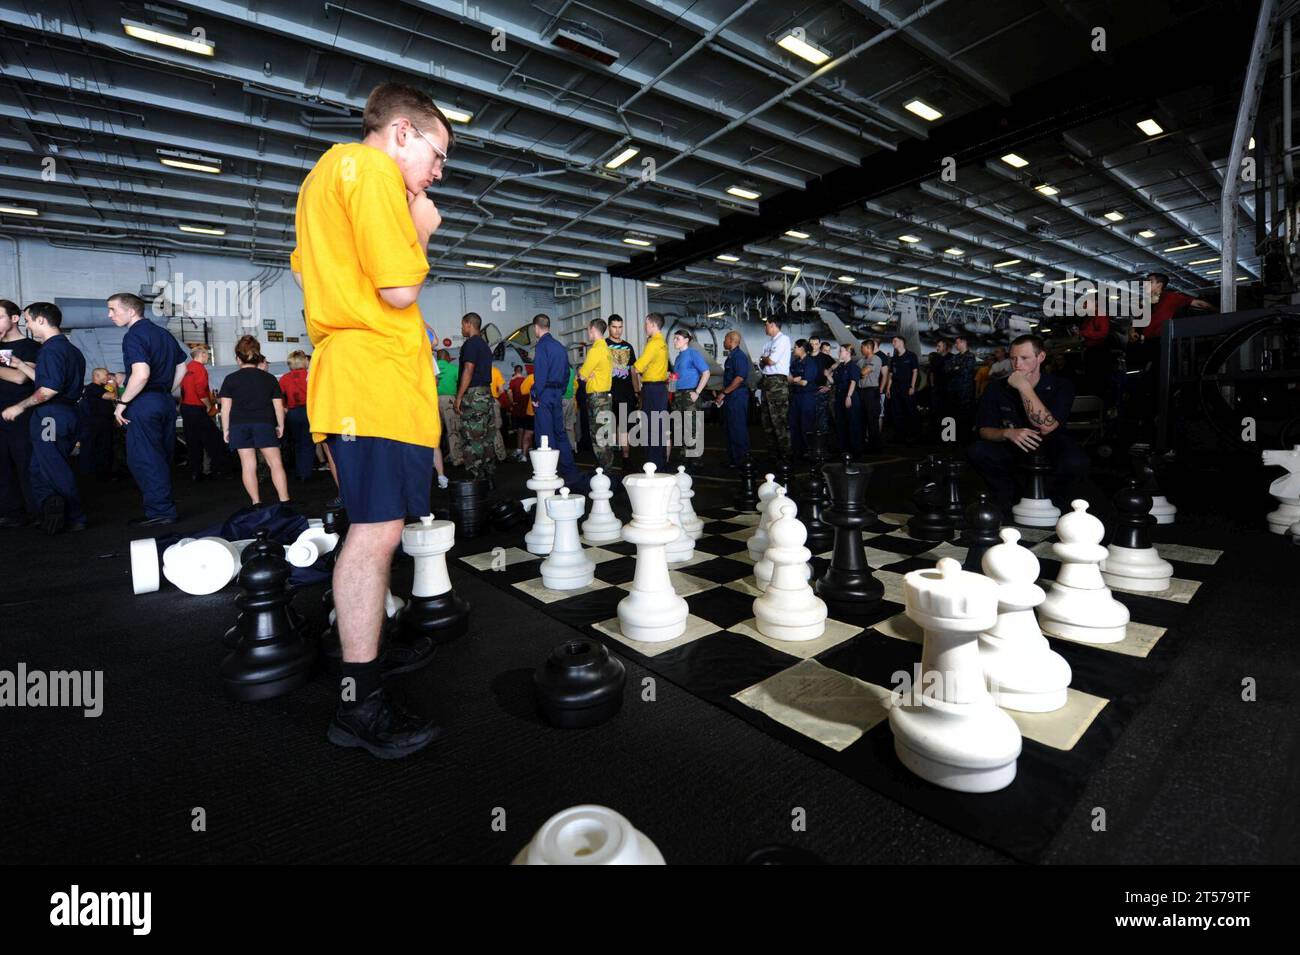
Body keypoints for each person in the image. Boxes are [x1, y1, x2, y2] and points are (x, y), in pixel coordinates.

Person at [290, 81, 452, 758]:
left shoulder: (328, 177)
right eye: (437, 156)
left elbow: (309, 273)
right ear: (403, 134)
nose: (437, 173)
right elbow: (399, 287)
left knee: (375, 529)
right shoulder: (374, 170)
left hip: (368, 379)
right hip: (370, 379)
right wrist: (422, 224)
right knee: (374, 534)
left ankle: (363, 643)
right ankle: (359, 702)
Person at [967, 334, 1088, 516]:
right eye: (1013, 358)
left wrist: (1024, 387)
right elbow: (984, 429)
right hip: (1013, 445)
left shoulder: (1061, 385)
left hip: (1051, 444)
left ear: (1040, 357)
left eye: (1024, 358)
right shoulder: (995, 388)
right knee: (977, 450)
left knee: (1076, 460)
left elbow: (1047, 426)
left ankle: (1057, 503)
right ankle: (1008, 497)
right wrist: (1007, 433)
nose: (1017, 364)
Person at [0, 303, 86, 533]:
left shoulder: (50, 350)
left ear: (40, 320)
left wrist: (19, 406)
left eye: (28, 320)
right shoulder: (68, 349)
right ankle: (53, 512)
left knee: (53, 466)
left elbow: (49, 389)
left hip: (52, 415)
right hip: (60, 413)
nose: (27, 325)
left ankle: (75, 516)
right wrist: (19, 365)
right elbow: (43, 378)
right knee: (38, 467)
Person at [107, 292, 188, 526]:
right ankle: (163, 507)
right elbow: (183, 366)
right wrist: (164, 389)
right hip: (164, 401)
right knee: (160, 455)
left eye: (113, 309)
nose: (109, 315)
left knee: (144, 458)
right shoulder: (163, 333)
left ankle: (160, 511)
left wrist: (121, 405)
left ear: (131, 311)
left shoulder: (133, 335)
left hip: (145, 403)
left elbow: (141, 374)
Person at [218, 336, 291, 508]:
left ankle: (256, 502)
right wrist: (280, 425)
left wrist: (226, 430)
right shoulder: (269, 378)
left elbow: (225, 409)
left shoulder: (230, 379)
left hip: (239, 425)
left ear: (237, 358)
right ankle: (285, 501)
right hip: (264, 423)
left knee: (248, 465)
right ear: (258, 357)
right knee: (275, 463)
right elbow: (278, 406)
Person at [530, 313, 585, 487]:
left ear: (536, 327)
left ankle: (549, 473)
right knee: (560, 433)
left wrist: (536, 395)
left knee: (545, 435)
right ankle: (569, 471)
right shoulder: (560, 347)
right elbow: (567, 373)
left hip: (545, 393)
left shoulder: (541, 347)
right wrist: (560, 390)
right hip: (557, 394)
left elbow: (540, 374)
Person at [0, 299, 39, 528]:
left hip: (20, 415)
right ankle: (12, 512)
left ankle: (36, 511)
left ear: (14, 319)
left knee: (25, 463)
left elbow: (20, 377)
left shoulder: (31, 348)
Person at [454, 312, 496, 483]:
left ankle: (477, 478)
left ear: (468, 324)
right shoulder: (485, 346)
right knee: (486, 436)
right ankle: (489, 476)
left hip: (473, 395)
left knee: (472, 437)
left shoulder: (470, 344)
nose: (462, 328)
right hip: (486, 394)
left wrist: (459, 397)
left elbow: (469, 370)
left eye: (462, 325)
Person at [179, 345, 229, 484]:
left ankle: (196, 472)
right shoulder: (200, 369)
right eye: (207, 354)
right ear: (201, 355)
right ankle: (217, 470)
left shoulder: (187, 368)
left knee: (193, 442)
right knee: (215, 440)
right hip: (197, 409)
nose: (209, 357)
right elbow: (201, 391)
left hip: (186, 408)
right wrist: (208, 405)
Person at [632, 312, 670, 471]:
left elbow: (636, 367)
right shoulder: (663, 343)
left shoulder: (653, 344)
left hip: (652, 389)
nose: (644, 327)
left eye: (646, 324)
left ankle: (653, 466)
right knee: (658, 427)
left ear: (653, 324)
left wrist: (636, 390)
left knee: (651, 428)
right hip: (660, 389)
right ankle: (658, 464)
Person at [669, 328, 709, 468]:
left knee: (692, 427)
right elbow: (675, 378)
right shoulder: (678, 357)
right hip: (678, 395)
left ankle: (696, 458)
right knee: (679, 427)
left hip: (689, 394)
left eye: (677, 338)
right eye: (674, 338)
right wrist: (671, 392)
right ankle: (685, 456)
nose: (674, 341)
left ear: (686, 340)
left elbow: (706, 372)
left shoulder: (693, 353)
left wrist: (697, 392)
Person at [577, 318, 615, 470]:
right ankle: (608, 466)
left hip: (596, 398)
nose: (588, 333)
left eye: (588, 330)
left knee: (598, 435)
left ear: (593, 329)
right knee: (604, 434)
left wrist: (585, 373)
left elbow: (582, 375)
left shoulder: (595, 350)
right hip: (606, 396)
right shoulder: (606, 349)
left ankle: (605, 470)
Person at [714, 330, 750, 467]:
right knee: (730, 428)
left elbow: (739, 378)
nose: (723, 342)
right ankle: (733, 459)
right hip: (731, 397)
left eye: (725, 339)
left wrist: (724, 393)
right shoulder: (731, 357)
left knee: (737, 428)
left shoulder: (739, 357)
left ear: (731, 340)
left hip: (737, 396)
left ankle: (742, 461)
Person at [758, 317, 792, 461]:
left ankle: (786, 457)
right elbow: (762, 363)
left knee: (779, 422)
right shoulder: (768, 343)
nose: (765, 328)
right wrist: (765, 359)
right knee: (767, 422)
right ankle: (774, 455)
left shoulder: (783, 340)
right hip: (767, 381)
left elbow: (770, 360)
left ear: (773, 325)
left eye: (766, 325)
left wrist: (765, 359)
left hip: (777, 383)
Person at [278, 350, 315, 482]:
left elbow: (280, 396)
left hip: (292, 413)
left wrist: (285, 408)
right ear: (303, 360)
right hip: (308, 412)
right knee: (308, 443)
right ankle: (305, 473)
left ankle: (299, 471)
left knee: (297, 443)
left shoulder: (284, 378)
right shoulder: (310, 375)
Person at [605, 314, 637, 466]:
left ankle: (626, 457)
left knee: (624, 425)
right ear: (608, 327)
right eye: (614, 327)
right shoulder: (603, 345)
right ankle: (606, 461)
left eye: (620, 327)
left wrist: (637, 392)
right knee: (607, 427)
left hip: (626, 393)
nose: (617, 331)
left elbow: (633, 371)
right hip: (607, 392)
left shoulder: (628, 346)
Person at [78, 367, 117, 481]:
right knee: (99, 449)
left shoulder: (101, 388)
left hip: (102, 424)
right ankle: (97, 477)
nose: (107, 377)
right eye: (105, 375)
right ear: (96, 376)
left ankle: (100, 475)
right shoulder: (92, 388)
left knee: (103, 449)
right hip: (96, 425)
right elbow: (112, 396)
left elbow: (108, 392)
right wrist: (114, 385)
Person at [882, 335, 919, 445]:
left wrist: (912, 386)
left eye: (895, 341)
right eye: (892, 341)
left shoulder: (911, 356)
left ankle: (913, 435)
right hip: (895, 388)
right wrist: (888, 388)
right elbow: (891, 374)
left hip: (907, 387)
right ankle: (899, 436)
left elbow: (915, 372)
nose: (893, 343)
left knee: (910, 411)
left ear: (902, 342)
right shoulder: (894, 358)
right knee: (896, 412)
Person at [945, 335, 978, 443]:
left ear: (964, 343)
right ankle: (954, 437)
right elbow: (947, 369)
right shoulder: (955, 357)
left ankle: (965, 439)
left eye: (957, 343)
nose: (955, 345)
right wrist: (956, 368)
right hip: (954, 391)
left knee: (966, 416)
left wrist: (956, 368)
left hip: (966, 392)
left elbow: (965, 371)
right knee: (954, 415)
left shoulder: (970, 356)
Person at [832, 343, 862, 457]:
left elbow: (853, 381)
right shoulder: (840, 367)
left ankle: (855, 450)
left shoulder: (853, 366)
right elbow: (834, 381)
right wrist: (828, 373)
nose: (839, 353)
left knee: (852, 423)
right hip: (840, 397)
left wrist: (849, 396)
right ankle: (843, 449)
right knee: (841, 423)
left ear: (848, 353)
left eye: (841, 351)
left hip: (849, 396)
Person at [788, 339, 815, 459]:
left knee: (806, 426)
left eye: (795, 347)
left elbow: (804, 382)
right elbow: (789, 379)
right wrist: (795, 380)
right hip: (796, 397)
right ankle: (797, 452)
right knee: (794, 425)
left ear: (802, 348)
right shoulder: (795, 362)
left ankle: (808, 453)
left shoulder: (810, 363)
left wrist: (794, 380)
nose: (794, 349)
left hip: (806, 398)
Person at [435, 347, 460, 467]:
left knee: (434, 432)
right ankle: (456, 458)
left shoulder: (430, 368)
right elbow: (461, 384)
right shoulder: (454, 369)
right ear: (447, 358)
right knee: (452, 430)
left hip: (432, 401)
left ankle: (434, 461)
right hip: (449, 400)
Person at [858, 339, 884, 454]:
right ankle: (864, 444)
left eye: (862, 347)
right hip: (862, 392)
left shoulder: (876, 359)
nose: (860, 349)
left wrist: (860, 372)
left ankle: (875, 446)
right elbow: (856, 371)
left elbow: (863, 372)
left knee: (872, 419)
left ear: (868, 347)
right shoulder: (862, 360)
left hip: (871, 392)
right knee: (862, 419)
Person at [806, 335, 834, 433]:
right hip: (807, 391)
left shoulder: (826, 358)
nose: (814, 346)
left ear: (819, 345)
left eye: (816, 344)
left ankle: (822, 441)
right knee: (808, 415)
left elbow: (836, 371)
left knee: (822, 416)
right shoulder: (805, 357)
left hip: (820, 391)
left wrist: (829, 386)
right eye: (811, 344)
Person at [508, 364, 531, 461]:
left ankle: (519, 449)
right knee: (529, 428)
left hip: (518, 407)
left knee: (520, 428)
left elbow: (509, 392)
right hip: (527, 407)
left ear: (515, 371)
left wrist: (512, 402)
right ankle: (529, 447)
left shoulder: (513, 381)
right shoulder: (525, 380)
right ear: (521, 371)